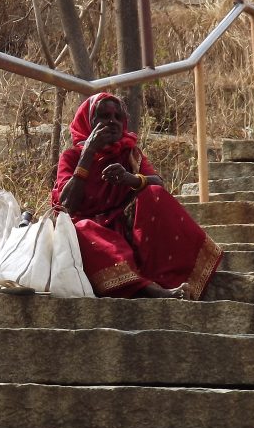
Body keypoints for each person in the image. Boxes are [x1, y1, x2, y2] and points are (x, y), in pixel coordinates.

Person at [52, 92, 223, 299]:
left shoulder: (130, 153)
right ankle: (148, 289)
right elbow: (66, 204)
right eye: (104, 116)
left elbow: (158, 184)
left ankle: (176, 278)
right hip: (90, 231)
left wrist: (130, 179)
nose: (112, 122)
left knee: (154, 194)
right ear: (88, 123)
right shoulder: (71, 157)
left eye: (118, 117)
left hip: (125, 225)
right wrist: (88, 153)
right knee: (83, 229)